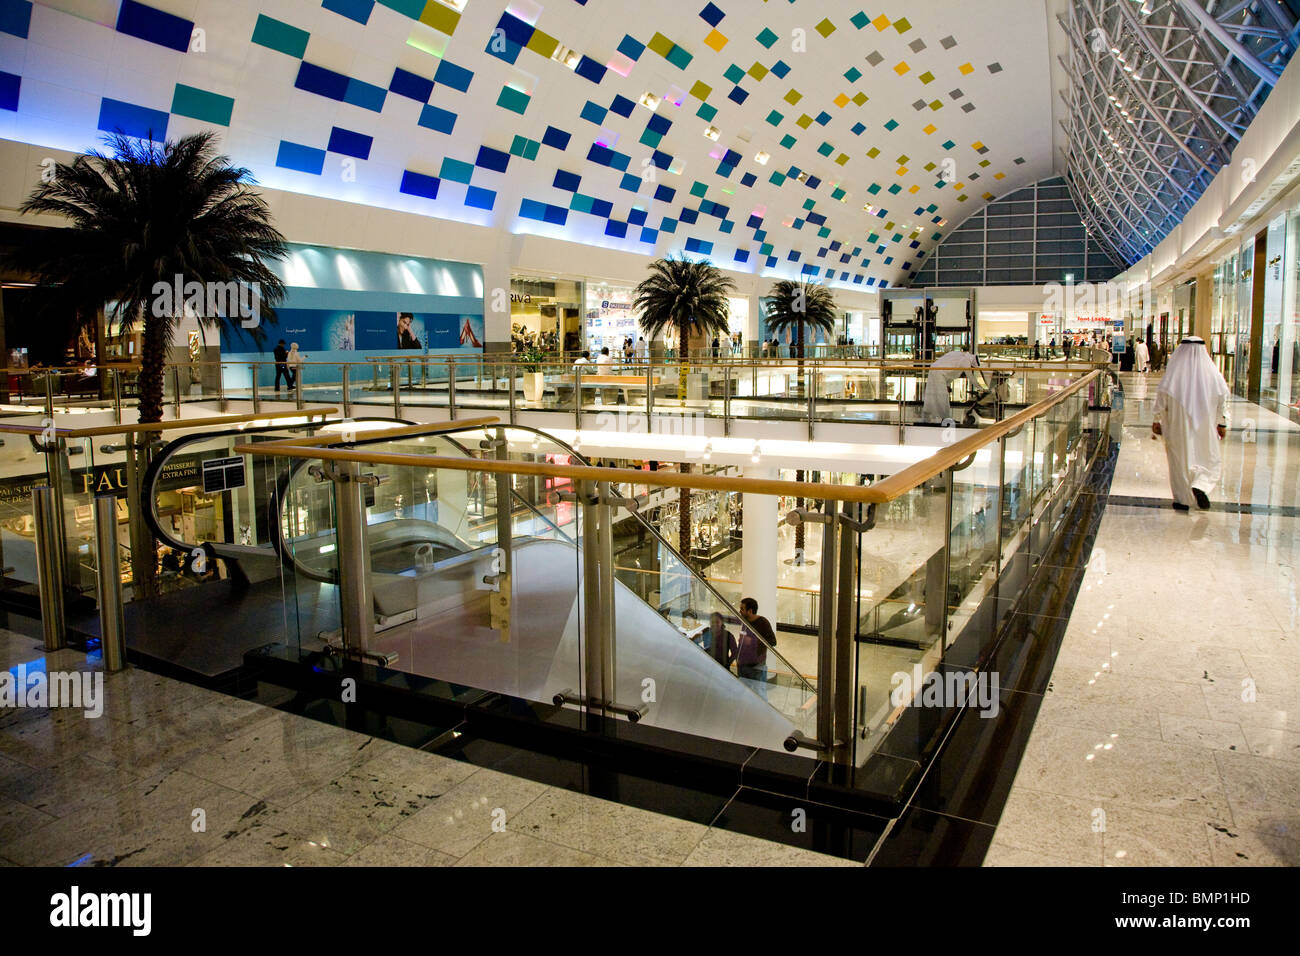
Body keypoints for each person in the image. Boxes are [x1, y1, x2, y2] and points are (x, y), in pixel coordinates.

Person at [1152, 337, 1229, 511]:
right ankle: (1201, 485)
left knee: (1179, 460)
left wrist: (1157, 419)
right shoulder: (1213, 374)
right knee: (1206, 456)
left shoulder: (1174, 374)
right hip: (1205, 426)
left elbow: (1161, 397)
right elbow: (1223, 398)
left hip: (1177, 426)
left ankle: (1182, 500)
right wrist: (1222, 423)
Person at [922, 348, 981, 423]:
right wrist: (980, 387)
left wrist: (947, 384)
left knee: (934, 395)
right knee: (942, 397)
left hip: (935, 370)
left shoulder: (960, 355)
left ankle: (933, 415)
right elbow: (971, 377)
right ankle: (945, 418)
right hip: (938, 373)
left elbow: (948, 368)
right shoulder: (965, 361)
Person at [736, 597, 776, 698]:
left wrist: (751, 641)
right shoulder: (745, 622)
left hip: (757, 666)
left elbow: (773, 641)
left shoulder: (763, 622)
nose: (739, 611)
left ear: (750, 611)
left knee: (760, 695)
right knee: (744, 694)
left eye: (742, 609)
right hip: (743, 664)